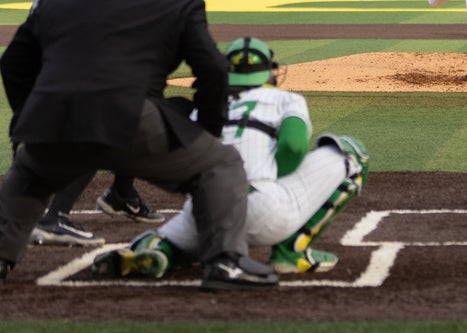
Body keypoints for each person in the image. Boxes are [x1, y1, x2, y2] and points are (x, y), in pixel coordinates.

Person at [0, 0, 277, 291]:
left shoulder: (58, 1)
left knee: (29, 174)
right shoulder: (178, 3)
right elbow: (213, 72)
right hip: (132, 118)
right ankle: (224, 264)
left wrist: (27, 118)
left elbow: (13, 62)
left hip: (56, 119)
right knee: (220, 163)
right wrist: (207, 130)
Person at [90, 36, 369, 279]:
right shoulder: (286, 99)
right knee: (350, 154)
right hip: (267, 212)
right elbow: (294, 148)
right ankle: (290, 253)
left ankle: (156, 250)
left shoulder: (205, 105)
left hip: (204, 212)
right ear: (269, 72)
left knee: (164, 237)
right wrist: (273, 173)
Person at [29, 0, 178, 248]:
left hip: (87, 40)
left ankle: (121, 194)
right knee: (101, 121)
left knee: (137, 104)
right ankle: (54, 217)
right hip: (54, 38)